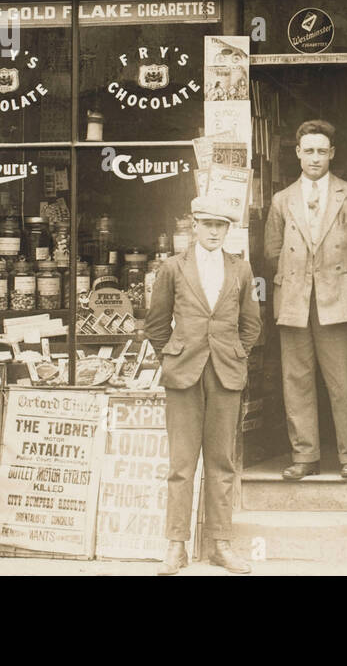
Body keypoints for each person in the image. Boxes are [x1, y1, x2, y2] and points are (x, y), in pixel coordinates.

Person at [145, 196, 262, 576]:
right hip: (184, 372)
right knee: (181, 463)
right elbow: (157, 322)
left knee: (221, 462)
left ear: (228, 230)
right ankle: (175, 546)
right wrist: (171, 354)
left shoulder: (241, 269)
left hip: (225, 371)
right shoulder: (172, 268)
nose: (214, 231)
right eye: (207, 224)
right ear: (193, 224)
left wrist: (236, 352)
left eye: (221, 225)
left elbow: (251, 323)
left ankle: (220, 545)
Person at [265, 120, 347, 480]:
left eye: (321, 151)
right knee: (296, 381)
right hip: (294, 298)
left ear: (332, 154)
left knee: (343, 381)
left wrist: (342, 281)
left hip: (336, 297)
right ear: (297, 153)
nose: (314, 157)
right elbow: (272, 251)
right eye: (308, 150)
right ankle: (305, 456)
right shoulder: (281, 200)